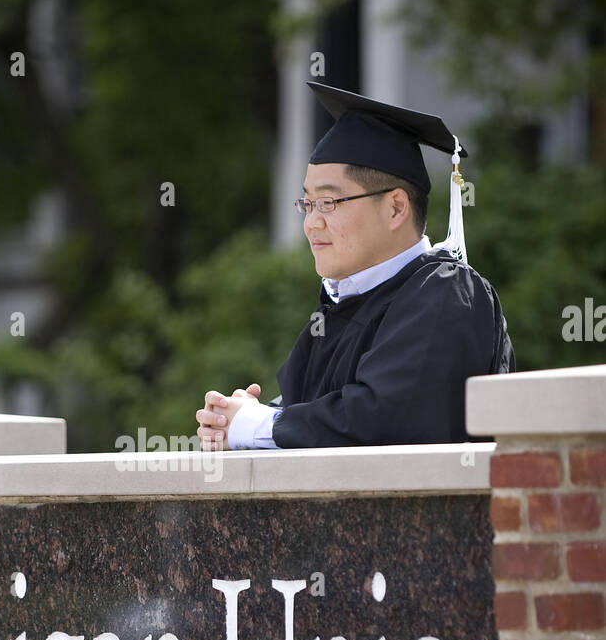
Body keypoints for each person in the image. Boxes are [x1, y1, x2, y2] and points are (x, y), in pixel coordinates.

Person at [196, 83, 515, 451]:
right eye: (307, 203)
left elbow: (388, 419)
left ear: (396, 208)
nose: (312, 223)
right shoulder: (342, 303)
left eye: (329, 202)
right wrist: (234, 420)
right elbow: (317, 412)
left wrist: (257, 425)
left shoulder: (448, 292)